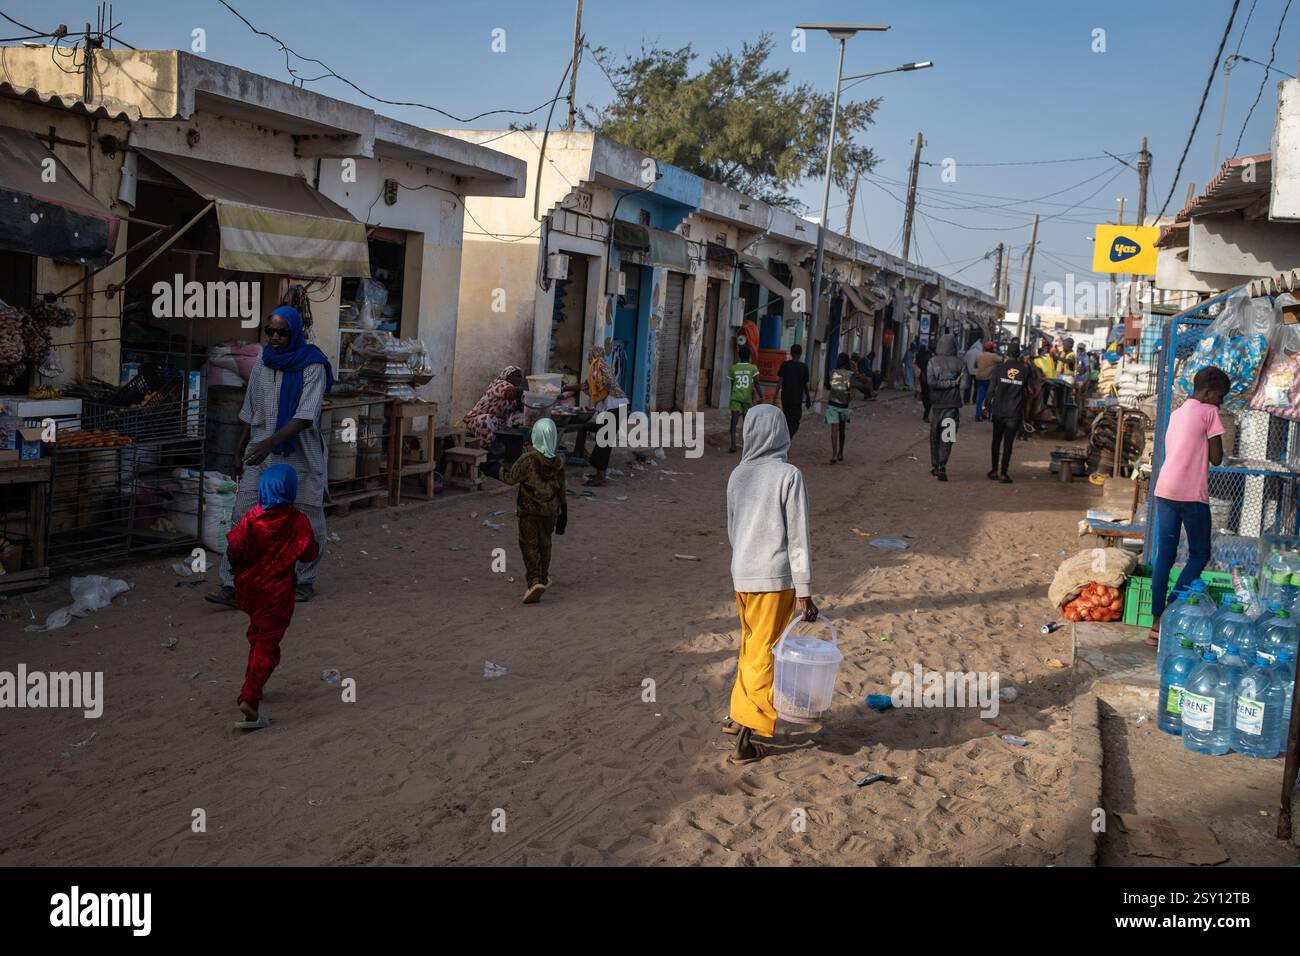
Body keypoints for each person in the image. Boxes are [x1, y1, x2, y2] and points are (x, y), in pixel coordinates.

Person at [208, 306, 330, 609]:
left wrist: (269, 443)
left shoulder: (312, 366)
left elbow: (304, 417)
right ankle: (233, 585)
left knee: (308, 520)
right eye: (270, 331)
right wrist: (239, 450)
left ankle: (303, 580)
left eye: (282, 332)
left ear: (295, 332)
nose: (275, 337)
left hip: (300, 455)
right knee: (242, 516)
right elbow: (250, 411)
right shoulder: (263, 363)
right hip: (260, 456)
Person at [723, 404, 817, 765]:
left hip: (742, 574)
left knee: (750, 645)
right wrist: (805, 592)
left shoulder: (737, 475)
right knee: (766, 653)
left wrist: (744, 561)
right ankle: (748, 734)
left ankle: (738, 713)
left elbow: (733, 530)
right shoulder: (788, 475)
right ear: (781, 434)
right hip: (775, 579)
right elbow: (798, 538)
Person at [225, 463, 320, 730]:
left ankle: (255, 683)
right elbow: (310, 553)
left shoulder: (253, 516)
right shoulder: (297, 520)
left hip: (249, 591)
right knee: (267, 645)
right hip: (276, 594)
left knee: (257, 636)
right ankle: (250, 700)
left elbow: (233, 546)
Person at [1147, 366, 1229, 647]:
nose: (1222, 401)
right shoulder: (1210, 413)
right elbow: (1217, 458)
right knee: (1199, 553)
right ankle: (1171, 607)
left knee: (1165, 556)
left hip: (1165, 490)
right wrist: (1214, 438)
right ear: (1208, 391)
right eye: (1220, 395)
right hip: (1191, 495)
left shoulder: (1177, 412)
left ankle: (1156, 619)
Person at [500, 417, 568, 605]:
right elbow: (562, 489)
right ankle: (543, 577)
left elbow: (510, 478)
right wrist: (564, 514)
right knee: (545, 544)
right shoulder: (558, 462)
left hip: (529, 511)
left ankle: (534, 581)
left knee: (529, 545)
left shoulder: (528, 459)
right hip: (551, 511)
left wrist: (494, 468)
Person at [568, 343, 628, 486]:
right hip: (614, 407)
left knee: (604, 440)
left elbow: (608, 383)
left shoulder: (600, 367)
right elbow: (586, 386)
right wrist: (565, 388)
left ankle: (601, 476)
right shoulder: (596, 369)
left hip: (616, 406)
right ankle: (587, 460)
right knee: (589, 429)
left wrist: (602, 390)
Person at [983, 341, 1031, 482]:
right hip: (1014, 412)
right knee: (1008, 444)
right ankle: (1003, 473)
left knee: (996, 441)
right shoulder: (1025, 369)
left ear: (1006, 354)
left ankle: (993, 470)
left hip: (998, 410)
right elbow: (1028, 391)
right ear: (1019, 355)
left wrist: (985, 406)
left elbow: (991, 390)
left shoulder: (999, 368)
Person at [926, 333, 964, 481]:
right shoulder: (960, 363)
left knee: (934, 436)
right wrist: (953, 383)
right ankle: (942, 465)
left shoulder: (932, 361)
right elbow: (965, 385)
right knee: (947, 437)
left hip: (936, 405)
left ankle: (935, 466)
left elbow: (931, 382)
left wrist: (944, 383)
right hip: (952, 406)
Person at [464, 365, 525, 450]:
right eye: (517, 376)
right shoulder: (499, 384)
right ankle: (489, 446)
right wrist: (523, 392)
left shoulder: (514, 398)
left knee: (520, 416)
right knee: (485, 419)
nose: (520, 379)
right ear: (508, 377)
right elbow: (509, 392)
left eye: (521, 377)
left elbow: (518, 407)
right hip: (476, 420)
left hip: (496, 421)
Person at [825, 353, 870, 464]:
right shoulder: (850, 375)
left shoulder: (833, 373)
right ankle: (841, 452)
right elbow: (860, 384)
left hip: (832, 404)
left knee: (834, 431)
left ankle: (834, 454)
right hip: (844, 405)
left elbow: (827, 385)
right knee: (842, 430)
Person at [727, 345, 762, 454]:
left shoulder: (733, 368)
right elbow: (756, 383)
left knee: (734, 422)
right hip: (747, 398)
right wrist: (761, 395)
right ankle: (748, 446)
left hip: (736, 397)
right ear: (750, 356)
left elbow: (732, 384)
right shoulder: (753, 368)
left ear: (739, 355)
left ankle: (733, 445)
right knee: (747, 422)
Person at [775, 343, 812, 439]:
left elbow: (780, 381)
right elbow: (805, 385)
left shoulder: (785, 365)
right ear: (800, 354)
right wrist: (808, 398)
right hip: (797, 399)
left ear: (791, 353)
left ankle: (786, 437)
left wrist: (775, 396)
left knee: (787, 418)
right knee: (795, 421)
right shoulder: (804, 367)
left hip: (785, 398)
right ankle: (788, 437)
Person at [973, 341, 1001, 422]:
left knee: (980, 398)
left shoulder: (979, 356)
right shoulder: (994, 356)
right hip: (989, 380)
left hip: (980, 379)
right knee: (991, 398)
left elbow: (974, 365)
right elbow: (1003, 360)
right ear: (992, 348)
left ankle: (978, 416)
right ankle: (990, 416)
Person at [913, 339, 934, 422]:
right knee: (928, 397)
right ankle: (926, 414)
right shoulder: (928, 355)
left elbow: (916, 364)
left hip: (921, 377)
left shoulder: (918, 354)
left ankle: (926, 413)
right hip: (926, 377)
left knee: (925, 396)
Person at [963, 336, 984, 406]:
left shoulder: (969, 352)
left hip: (969, 371)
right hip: (977, 372)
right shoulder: (980, 353)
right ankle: (974, 400)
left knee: (968, 386)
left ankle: (966, 400)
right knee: (976, 387)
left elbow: (964, 361)